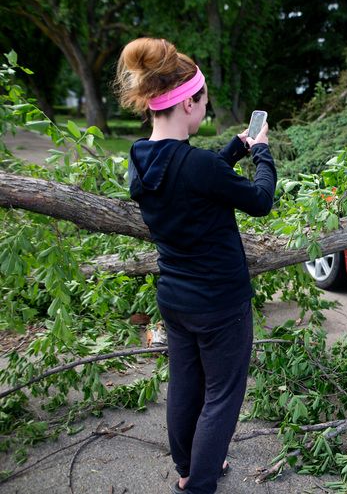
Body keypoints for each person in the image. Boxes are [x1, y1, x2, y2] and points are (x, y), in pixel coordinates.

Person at [114, 37, 277, 494]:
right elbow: (260, 200)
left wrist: (232, 151)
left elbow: (189, 178)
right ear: (188, 103)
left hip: (176, 298)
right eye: (204, 100)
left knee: (185, 385)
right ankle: (199, 484)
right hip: (220, 304)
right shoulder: (197, 166)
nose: (206, 106)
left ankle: (188, 465)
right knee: (222, 395)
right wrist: (261, 153)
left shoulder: (140, 158)